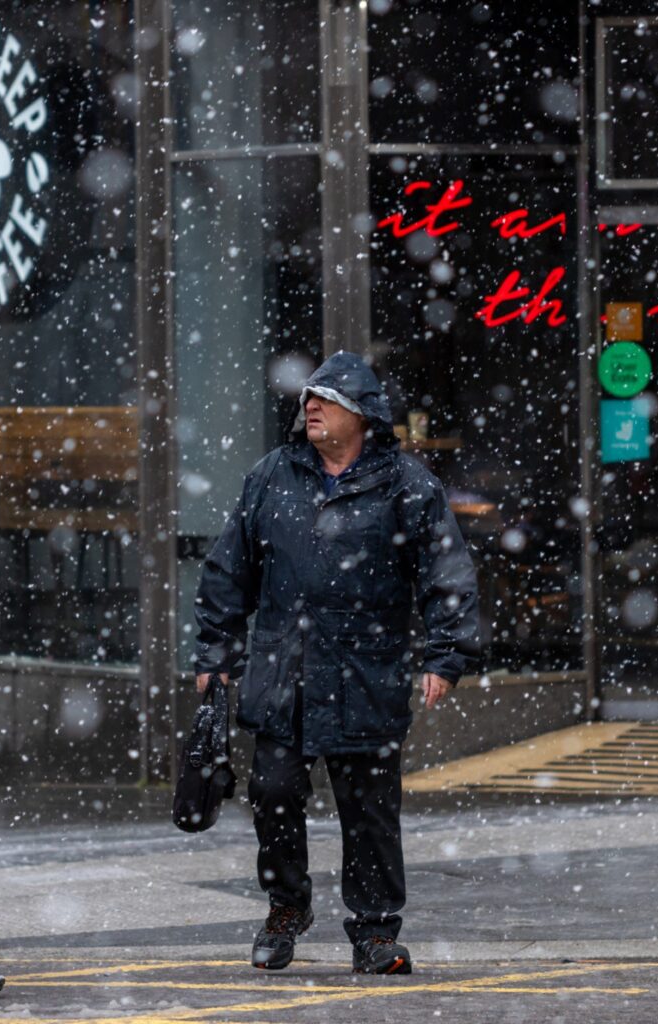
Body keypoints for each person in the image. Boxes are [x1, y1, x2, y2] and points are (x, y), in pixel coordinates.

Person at [193, 351, 481, 974]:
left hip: (365, 675)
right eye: (309, 398)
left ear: (364, 415)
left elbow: (446, 575)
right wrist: (215, 648)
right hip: (284, 676)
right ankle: (286, 908)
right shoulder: (273, 475)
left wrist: (446, 653)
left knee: (370, 812)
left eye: (327, 399)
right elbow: (228, 568)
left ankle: (375, 933)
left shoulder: (408, 485)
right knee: (272, 794)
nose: (311, 406)